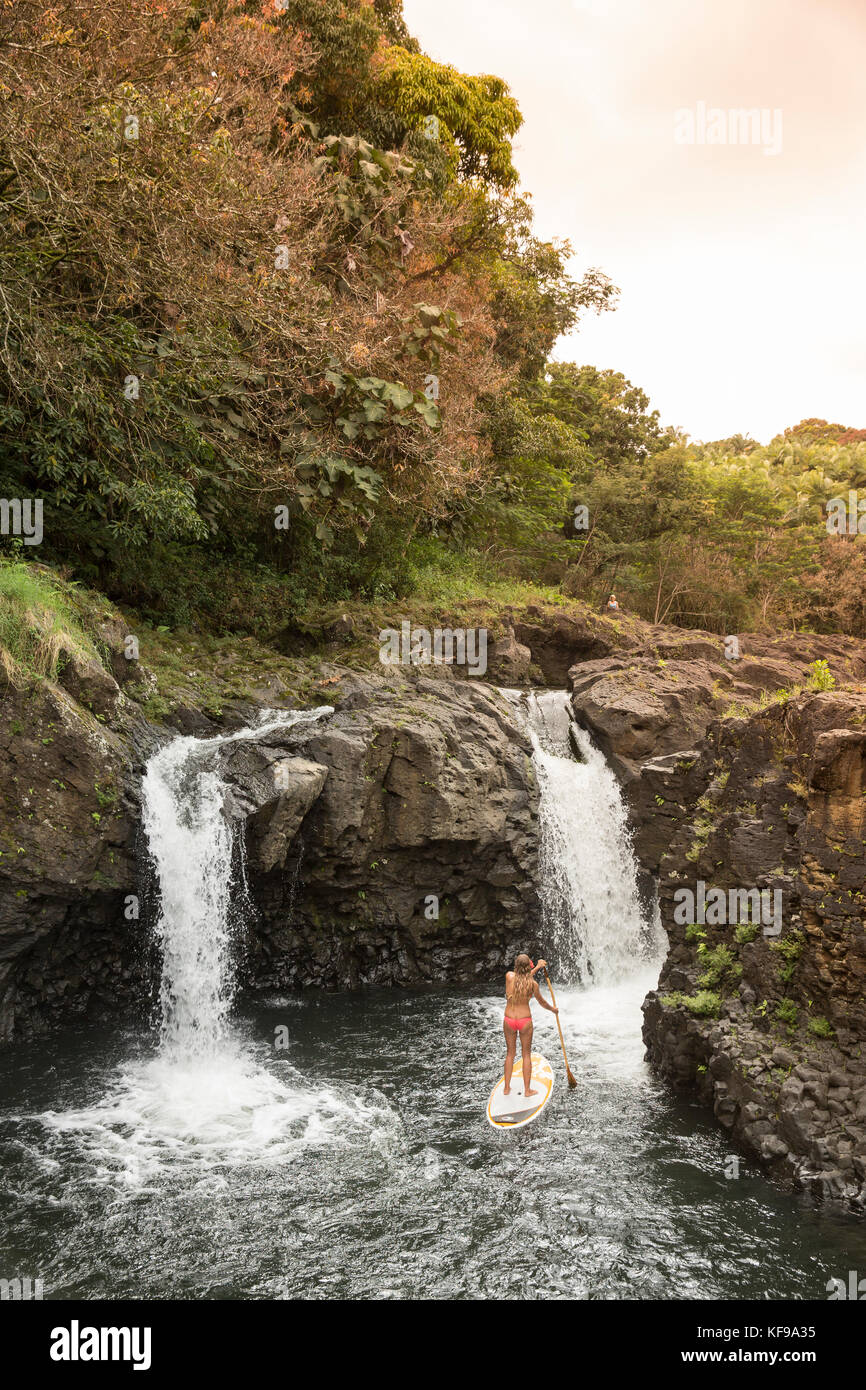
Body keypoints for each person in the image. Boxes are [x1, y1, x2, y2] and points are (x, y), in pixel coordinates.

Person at [503, 954, 559, 1097]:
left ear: (516, 965)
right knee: (526, 1055)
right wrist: (553, 1009)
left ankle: (506, 1088)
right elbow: (542, 1002)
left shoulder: (509, 976)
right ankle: (527, 1091)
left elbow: (520, 977)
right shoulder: (533, 984)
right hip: (524, 1021)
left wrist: (538, 967)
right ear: (529, 966)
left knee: (510, 1054)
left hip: (509, 1020)